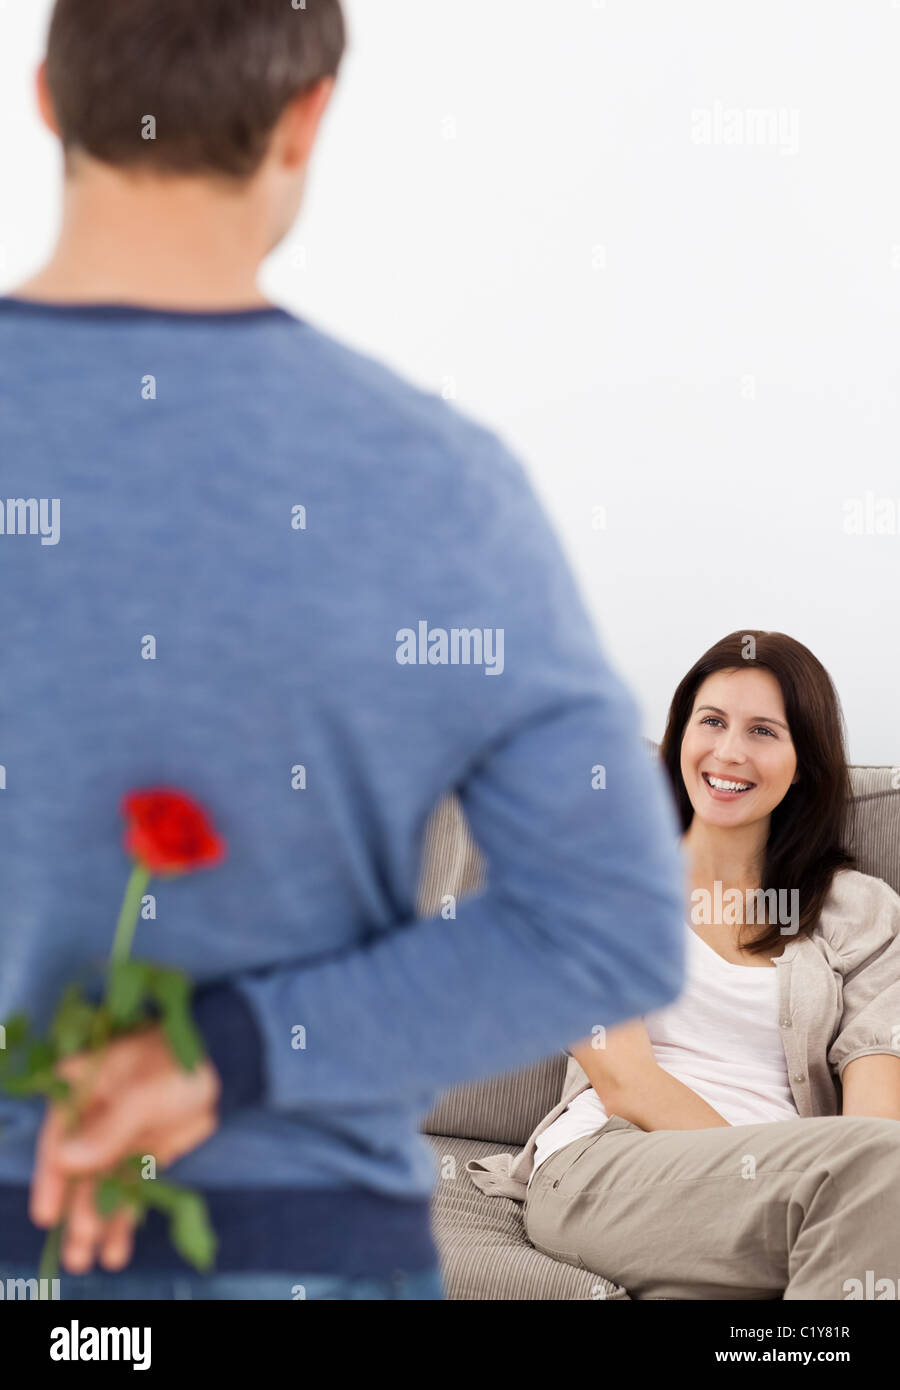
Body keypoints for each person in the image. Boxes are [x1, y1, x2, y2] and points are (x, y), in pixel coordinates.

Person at [0, 0, 686, 1300]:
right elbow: (610, 926)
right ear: (308, 113)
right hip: (304, 1257)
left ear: (46, 98)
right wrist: (226, 1054)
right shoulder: (440, 486)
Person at [477, 630, 900, 1300]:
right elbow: (628, 1083)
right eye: (712, 721)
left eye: (763, 731)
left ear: (804, 765)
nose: (729, 751)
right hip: (610, 1162)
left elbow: (876, 1126)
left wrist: (807, 1194)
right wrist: (770, 1180)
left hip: (803, 1194)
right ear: (680, 738)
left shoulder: (862, 913)